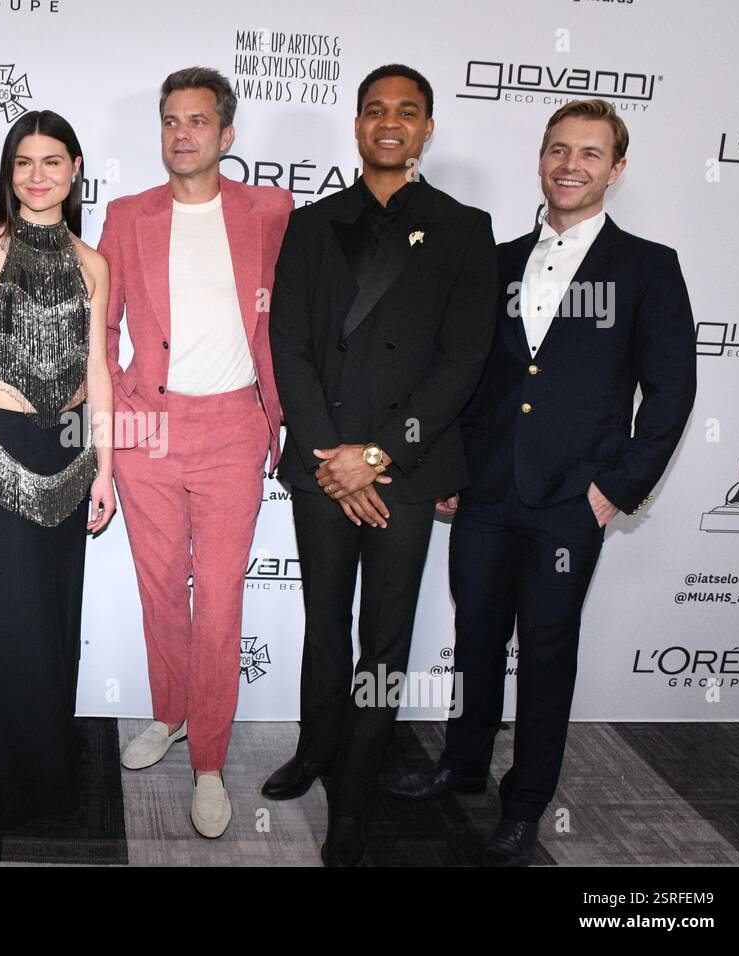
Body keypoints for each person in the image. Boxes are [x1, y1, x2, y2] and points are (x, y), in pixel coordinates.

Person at [389, 98, 697, 865]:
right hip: (487, 491)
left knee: (549, 653)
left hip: (572, 501)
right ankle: (462, 766)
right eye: (559, 149)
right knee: (475, 641)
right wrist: (452, 464)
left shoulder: (649, 267)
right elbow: (465, 374)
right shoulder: (493, 259)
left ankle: (526, 803)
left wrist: (617, 488)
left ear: (615, 170)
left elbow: (672, 392)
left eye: (590, 154)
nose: (571, 165)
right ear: (540, 157)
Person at [265, 64, 498, 866]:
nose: (389, 122)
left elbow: (462, 359)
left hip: (405, 467)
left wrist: (376, 455)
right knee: (324, 625)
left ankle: (355, 796)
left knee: (386, 643)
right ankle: (315, 749)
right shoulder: (311, 222)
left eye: (407, 111)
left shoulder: (467, 229)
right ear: (357, 125)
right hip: (324, 464)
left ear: (428, 128)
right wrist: (334, 457)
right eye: (374, 110)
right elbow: (288, 343)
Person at [100, 67, 292, 838]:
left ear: (227, 134)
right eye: (172, 121)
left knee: (217, 601)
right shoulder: (126, 214)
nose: (183, 134)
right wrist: (122, 404)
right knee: (157, 591)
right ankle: (170, 714)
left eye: (198, 121)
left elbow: (295, 312)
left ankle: (208, 759)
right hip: (147, 429)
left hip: (234, 429)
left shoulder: (271, 211)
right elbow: (99, 326)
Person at [0, 109, 115, 827]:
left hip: (72, 452)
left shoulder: (94, 261)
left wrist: (106, 468)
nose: (38, 176)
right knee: (6, 618)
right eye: (23, 162)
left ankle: (43, 760)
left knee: (52, 616)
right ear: (7, 173)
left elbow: (98, 371)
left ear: (75, 170)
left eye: (53, 161)